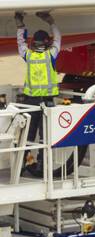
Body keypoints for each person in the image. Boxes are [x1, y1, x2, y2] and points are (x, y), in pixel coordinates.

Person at [15, 11, 61, 172]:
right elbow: (58, 39)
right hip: (47, 102)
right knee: (45, 136)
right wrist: (51, 22)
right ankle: (42, 165)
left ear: (33, 42)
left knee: (28, 135)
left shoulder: (29, 55)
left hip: (30, 102)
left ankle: (22, 164)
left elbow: (20, 43)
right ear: (47, 42)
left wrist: (20, 25)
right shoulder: (51, 55)